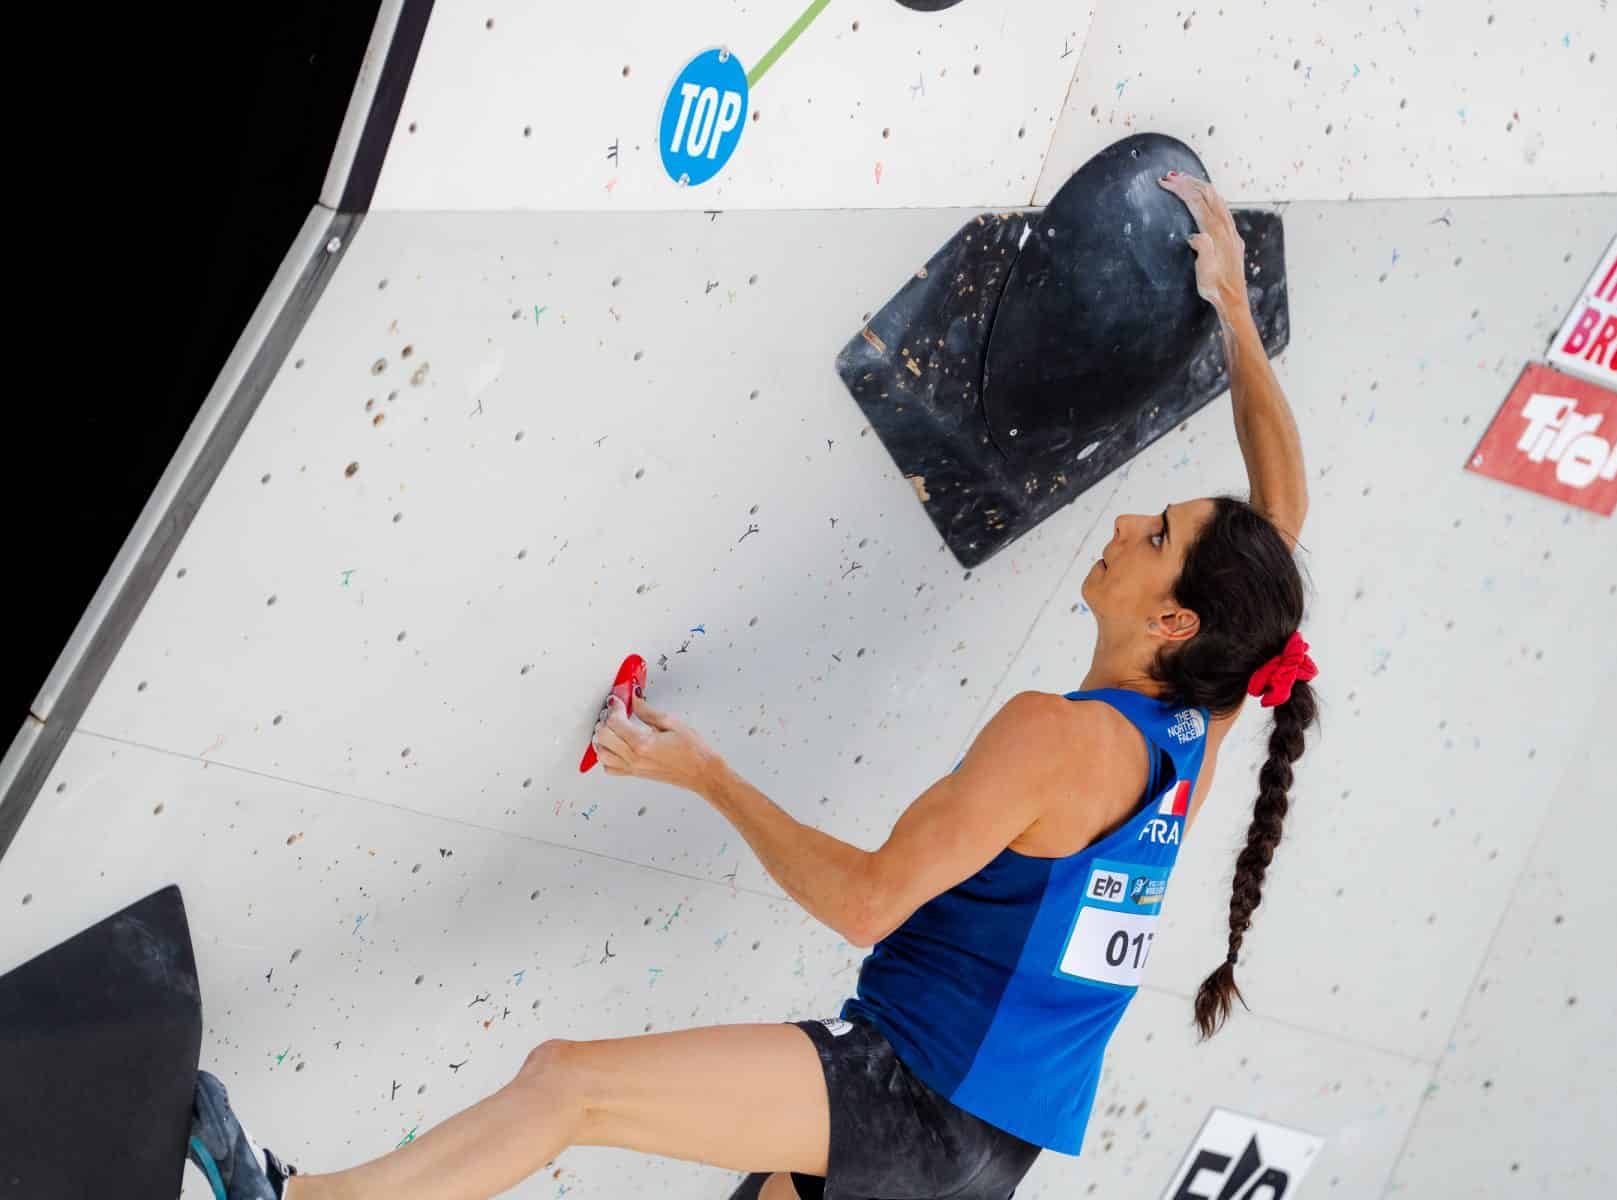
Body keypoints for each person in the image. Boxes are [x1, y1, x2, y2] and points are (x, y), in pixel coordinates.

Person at [184, 174, 1318, 1200]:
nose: (1125, 519)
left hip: (914, 1094)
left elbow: (868, 904)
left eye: (1156, 533)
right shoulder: (1199, 719)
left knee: (570, 1084)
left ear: (1173, 622)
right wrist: (1231, 306)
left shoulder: (1060, 739)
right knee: (573, 1090)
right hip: (985, 1160)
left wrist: (705, 776)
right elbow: (1279, 516)